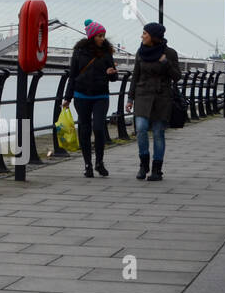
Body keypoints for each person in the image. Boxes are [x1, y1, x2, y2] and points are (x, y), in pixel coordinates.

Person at [63, 21, 119, 177]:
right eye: (99, 36)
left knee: (99, 128)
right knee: (84, 129)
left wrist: (112, 73)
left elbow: (114, 77)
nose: (102, 39)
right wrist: (68, 97)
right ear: (92, 36)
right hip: (81, 95)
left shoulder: (107, 52)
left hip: (101, 95)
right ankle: (87, 164)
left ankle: (99, 162)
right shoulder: (79, 52)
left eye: (103, 36)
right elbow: (72, 75)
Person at [127, 21, 180, 181]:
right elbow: (135, 75)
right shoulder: (140, 52)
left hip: (161, 97)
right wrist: (130, 98)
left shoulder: (169, 53)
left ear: (153, 37)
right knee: (141, 128)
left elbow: (177, 76)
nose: (142, 36)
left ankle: (157, 169)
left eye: (145, 33)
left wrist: (166, 63)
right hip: (143, 94)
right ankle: (143, 164)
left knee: (158, 132)